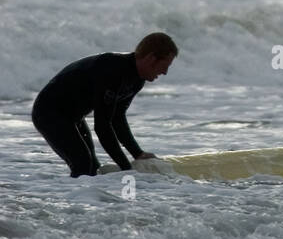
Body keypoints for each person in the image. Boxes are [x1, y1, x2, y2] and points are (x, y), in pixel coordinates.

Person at [31, 32, 178, 177]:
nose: (165, 72)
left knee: (92, 169)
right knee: (82, 164)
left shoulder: (137, 80)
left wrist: (137, 153)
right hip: (48, 112)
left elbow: (117, 118)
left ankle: (86, 200)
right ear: (151, 58)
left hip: (72, 117)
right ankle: (66, 199)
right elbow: (102, 126)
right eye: (165, 65)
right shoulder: (112, 69)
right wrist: (126, 169)